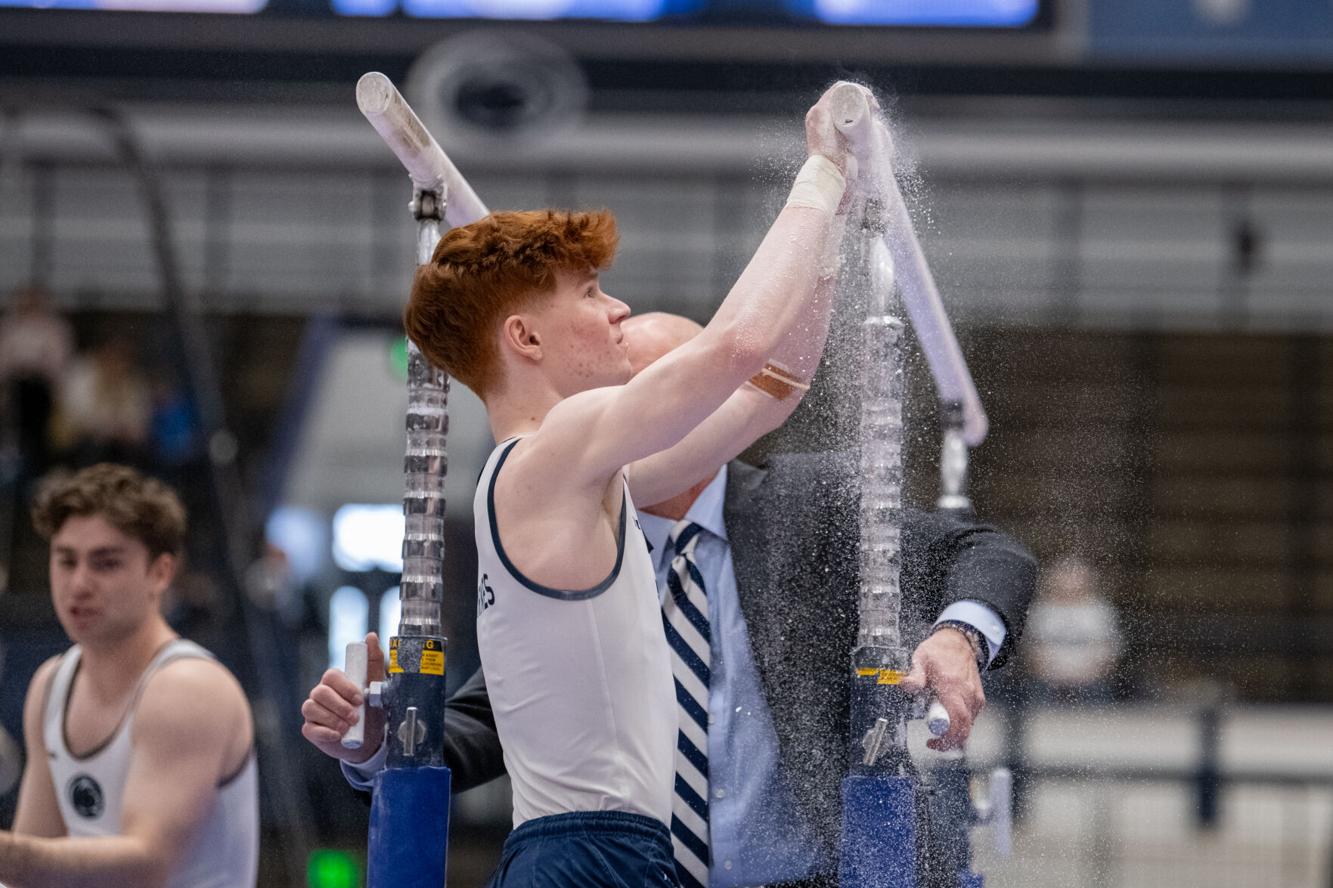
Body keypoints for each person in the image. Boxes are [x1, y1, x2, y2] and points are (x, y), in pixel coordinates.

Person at [303, 84, 860, 887]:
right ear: (524, 336)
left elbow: (772, 386)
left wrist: (831, 240)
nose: (618, 308)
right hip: (587, 855)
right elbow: (736, 346)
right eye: (593, 294)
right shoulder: (550, 455)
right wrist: (821, 174)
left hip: (598, 852)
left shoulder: (578, 478)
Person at [310, 305, 1035, 887]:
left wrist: (956, 637)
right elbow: (492, 714)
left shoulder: (805, 503)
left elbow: (983, 550)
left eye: (659, 394)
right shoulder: (567, 544)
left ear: (705, 407)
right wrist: (380, 742)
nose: (638, 416)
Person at [0, 463, 257, 888]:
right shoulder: (51, 685)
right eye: (66, 561)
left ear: (160, 573)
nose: (78, 583)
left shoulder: (189, 687)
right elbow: (30, 871)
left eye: (105, 563)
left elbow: (147, 864)